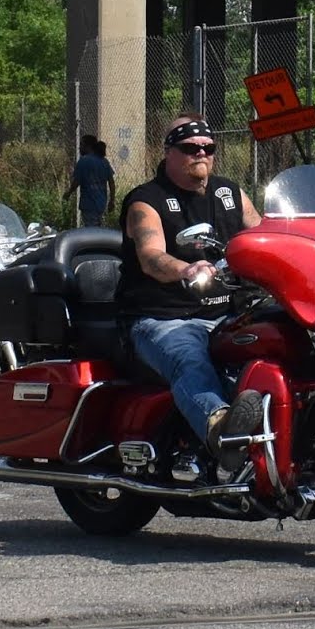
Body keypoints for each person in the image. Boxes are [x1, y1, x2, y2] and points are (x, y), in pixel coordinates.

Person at [115, 114, 264, 474]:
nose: (201, 153)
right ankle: (221, 431)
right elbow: (151, 257)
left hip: (227, 314)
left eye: (208, 147)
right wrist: (186, 269)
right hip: (163, 318)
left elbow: (265, 238)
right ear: (169, 152)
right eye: (189, 147)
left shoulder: (229, 194)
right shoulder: (146, 200)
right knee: (190, 358)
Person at [65, 134, 116, 227]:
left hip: (89, 204)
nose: (79, 147)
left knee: (91, 229)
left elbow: (76, 182)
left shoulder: (83, 161)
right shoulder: (104, 161)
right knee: (98, 227)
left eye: (81, 145)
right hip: (101, 204)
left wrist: (68, 193)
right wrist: (112, 200)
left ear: (88, 146)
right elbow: (111, 182)